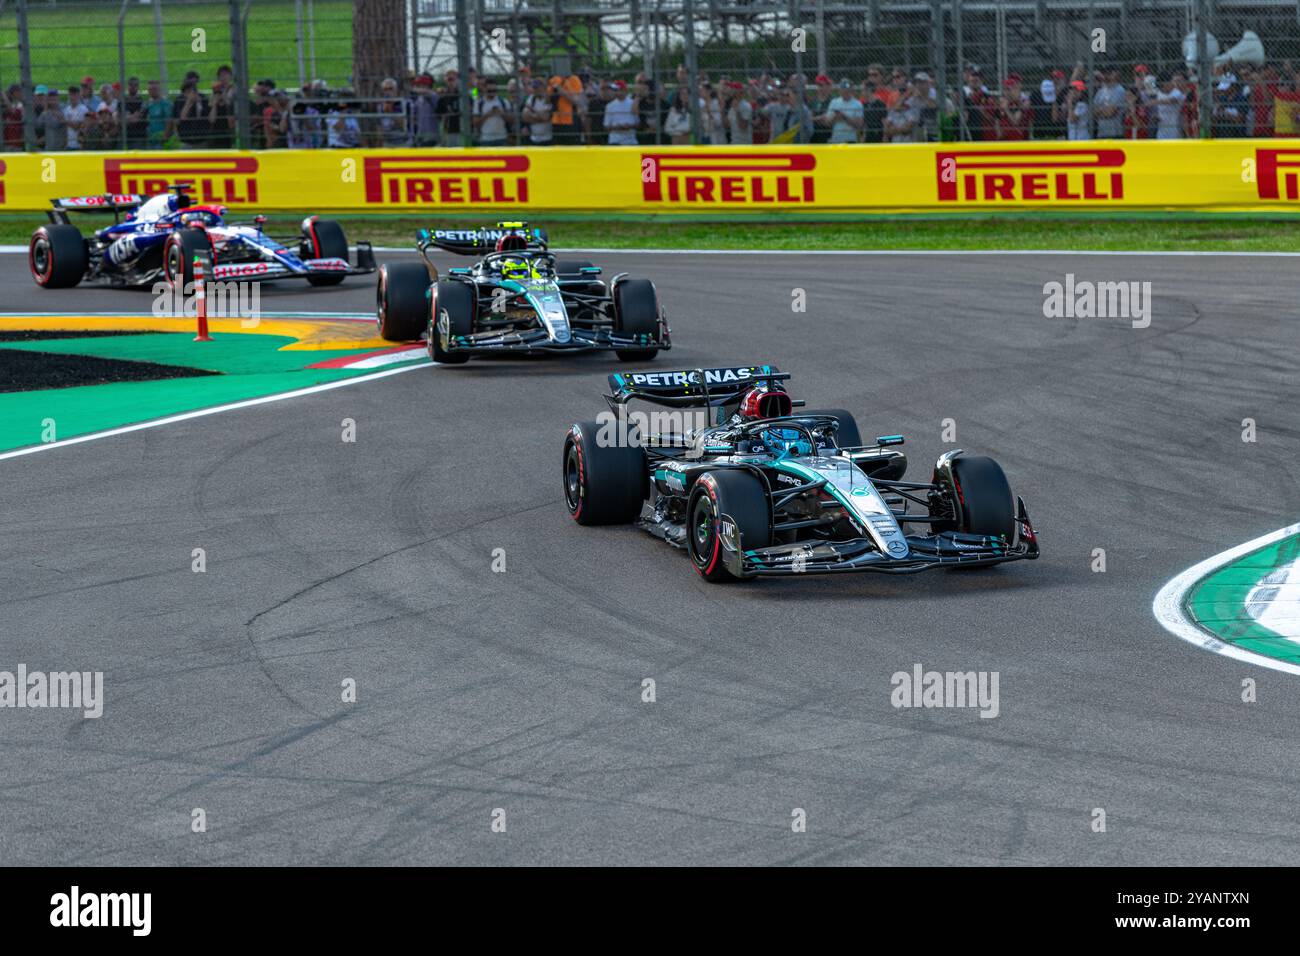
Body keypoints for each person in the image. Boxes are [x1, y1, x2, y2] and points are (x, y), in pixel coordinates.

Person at [820, 79, 863, 143]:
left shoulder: (857, 104)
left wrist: (844, 117)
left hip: (850, 141)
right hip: (836, 140)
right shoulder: (834, 102)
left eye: (847, 89)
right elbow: (827, 123)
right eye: (842, 88)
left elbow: (859, 125)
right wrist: (835, 118)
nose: (844, 91)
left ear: (851, 90)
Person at [472, 78, 509, 146]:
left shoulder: (503, 101)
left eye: (494, 90)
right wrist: (488, 114)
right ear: (484, 88)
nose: (492, 92)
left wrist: (501, 113)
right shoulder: (477, 100)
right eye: (489, 91)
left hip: (502, 138)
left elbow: (512, 120)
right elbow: (475, 122)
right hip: (485, 139)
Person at [603, 79, 638, 145]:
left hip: (630, 141)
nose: (615, 92)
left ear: (624, 90)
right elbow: (606, 126)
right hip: (614, 141)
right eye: (614, 90)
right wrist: (617, 127)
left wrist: (629, 126)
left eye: (617, 90)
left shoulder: (633, 104)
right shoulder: (609, 106)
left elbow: (638, 123)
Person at [521, 76, 554, 145]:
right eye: (534, 88)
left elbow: (545, 117)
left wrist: (533, 112)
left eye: (537, 88)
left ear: (543, 87)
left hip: (547, 139)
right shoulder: (532, 98)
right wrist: (539, 118)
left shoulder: (549, 99)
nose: (535, 90)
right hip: (534, 138)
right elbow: (525, 116)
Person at [435, 70, 461, 142]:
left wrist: (473, 86)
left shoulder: (464, 94)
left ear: (458, 80)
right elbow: (438, 114)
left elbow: (475, 96)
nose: (451, 82)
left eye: (453, 79)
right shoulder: (443, 97)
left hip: (463, 130)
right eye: (449, 80)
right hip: (449, 131)